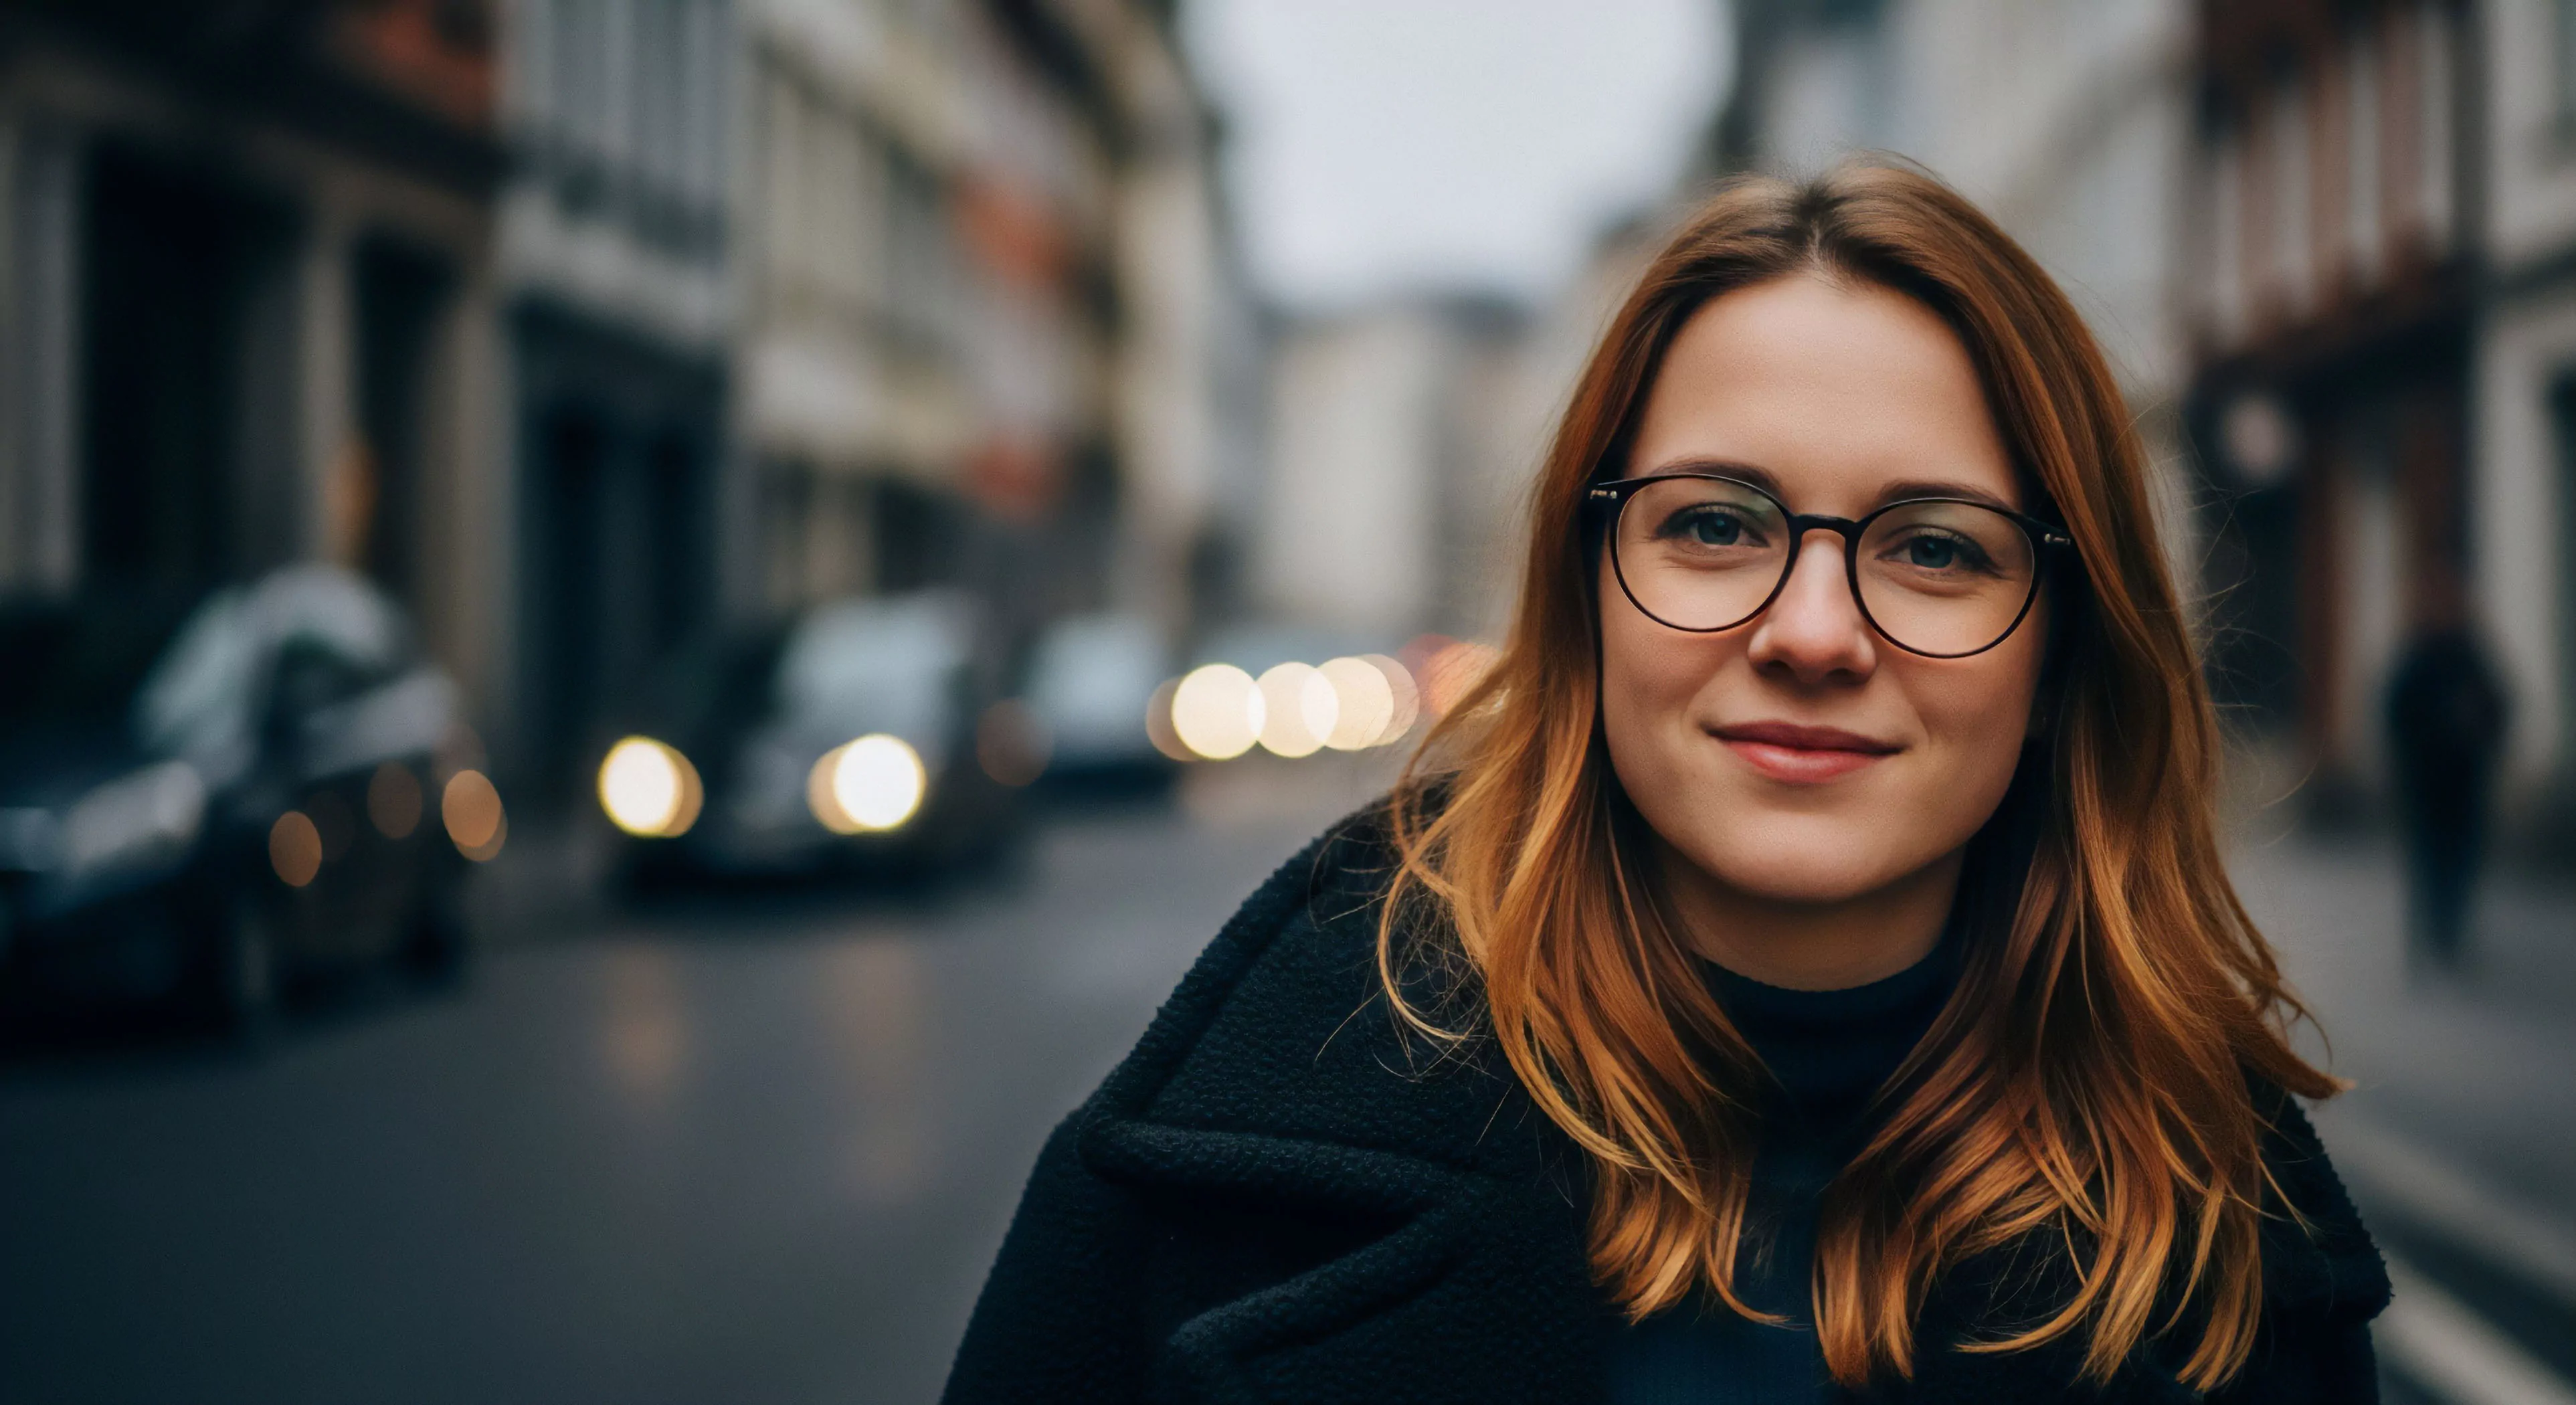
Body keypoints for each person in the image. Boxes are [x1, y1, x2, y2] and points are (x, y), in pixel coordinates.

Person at [942, 165, 2385, 1404]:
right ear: (1584, 601)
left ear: (2063, 649)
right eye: (1710, 524)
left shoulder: (2238, 1249)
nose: (1810, 634)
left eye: (1936, 548)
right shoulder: (1191, 1191)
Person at [2384, 585, 2510, 971]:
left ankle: (2450, 933)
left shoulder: (2471, 659)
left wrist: (2479, 736)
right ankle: (2434, 935)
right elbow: (2396, 713)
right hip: (2427, 784)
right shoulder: (2419, 661)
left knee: (2460, 860)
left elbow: (2498, 707)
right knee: (2430, 861)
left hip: (2464, 782)